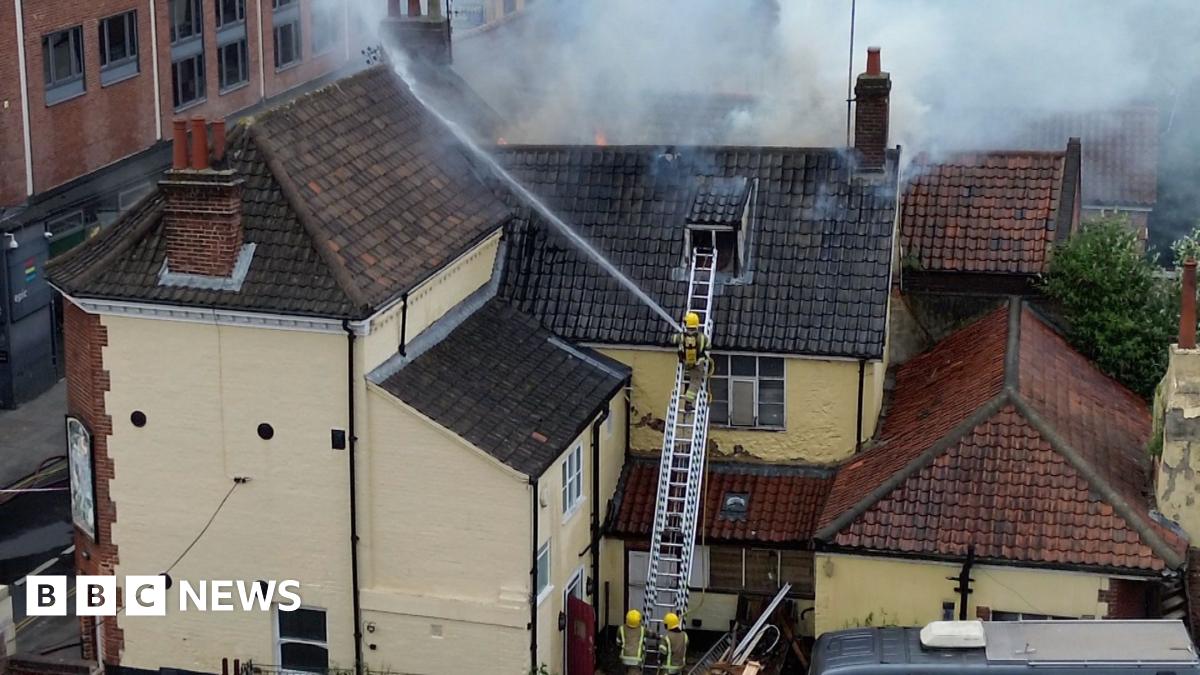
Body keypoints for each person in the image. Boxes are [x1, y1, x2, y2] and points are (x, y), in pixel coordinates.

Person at [671, 312, 710, 411]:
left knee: (689, 378)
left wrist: (680, 334)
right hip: (697, 363)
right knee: (695, 382)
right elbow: (709, 346)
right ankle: (688, 403)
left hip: (686, 362)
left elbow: (673, 339)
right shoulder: (702, 337)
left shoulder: (682, 336)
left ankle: (686, 394)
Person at [617, 609, 646, 673]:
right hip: (637, 658)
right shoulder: (642, 630)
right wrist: (660, 636)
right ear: (639, 620)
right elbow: (651, 634)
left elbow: (618, 643)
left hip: (624, 657)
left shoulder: (621, 628)